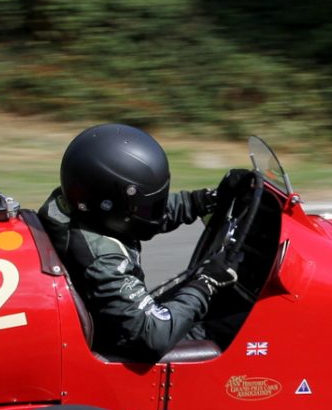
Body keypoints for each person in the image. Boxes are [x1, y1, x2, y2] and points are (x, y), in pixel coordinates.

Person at [38, 123, 242, 361]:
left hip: (117, 316)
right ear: (110, 206)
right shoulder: (105, 263)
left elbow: (142, 218)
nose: (152, 211)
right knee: (234, 328)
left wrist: (202, 201)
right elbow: (154, 335)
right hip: (126, 344)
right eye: (147, 206)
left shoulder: (76, 209)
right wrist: (205, 284)